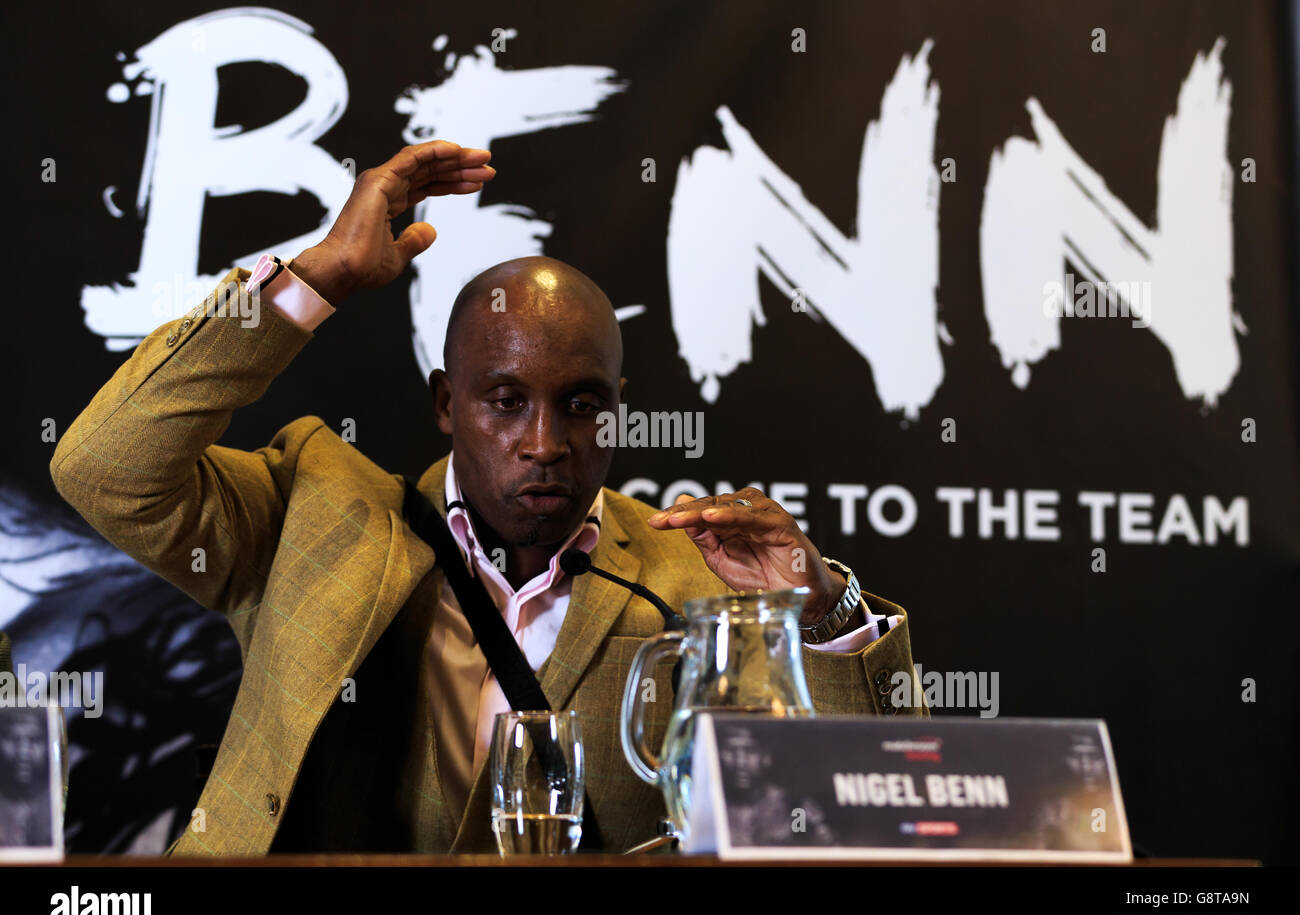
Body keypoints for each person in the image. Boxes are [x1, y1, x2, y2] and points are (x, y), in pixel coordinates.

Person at [50, 140, 925, 856]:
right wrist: (318, 279)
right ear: (445, 403)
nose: (544, 443)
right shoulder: (312, 509)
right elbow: (103, 466)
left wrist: (822, 610)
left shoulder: (697, 581)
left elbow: (871, 822)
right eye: (505, 400)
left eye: (581, 405)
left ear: (617, 412)